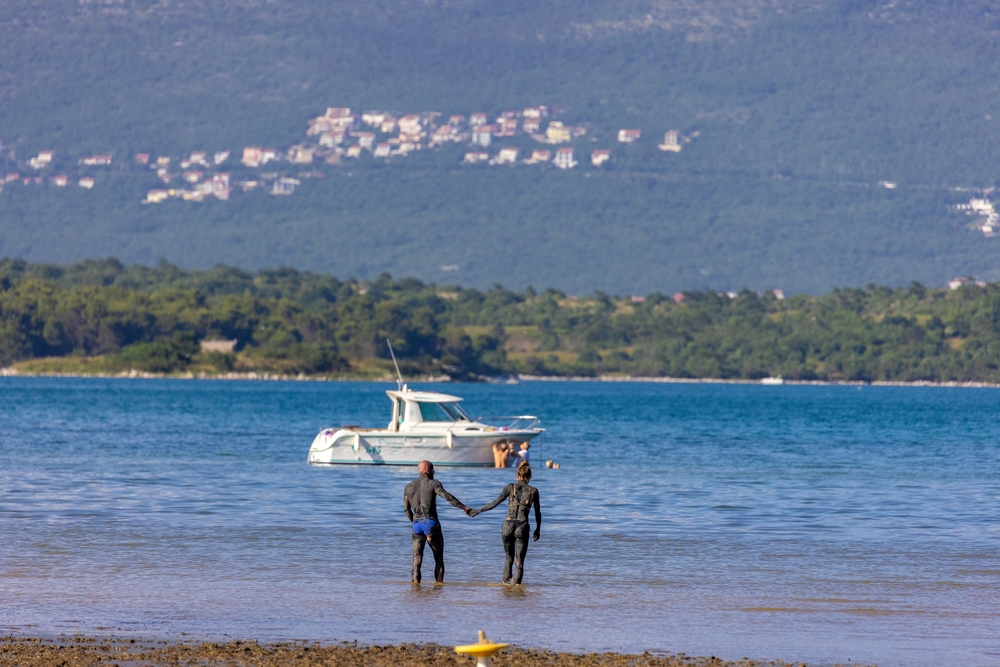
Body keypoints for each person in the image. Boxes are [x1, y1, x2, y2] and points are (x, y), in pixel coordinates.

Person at [470, 464, 541, 585]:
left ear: (518, 475)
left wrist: (477, 511)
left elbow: (494, 503)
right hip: (522, 526)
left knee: (509, 558)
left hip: (508, 525)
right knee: (519, 561)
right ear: (530, 476)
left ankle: (506, 587)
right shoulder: (533, 491)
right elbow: (537, 512)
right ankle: (517, 589)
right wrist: (537, 529)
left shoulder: (510, 487)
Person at [404, 460, 473, 583]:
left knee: (416, 559)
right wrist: (464, 508)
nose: (434, 471)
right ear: (426, 470)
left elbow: (406, 509)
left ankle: (415, 587)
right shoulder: (434, 484)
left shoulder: (408, 487)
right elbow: (447, 497)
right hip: (431, 523)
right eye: (432, 469)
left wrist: (413, 522)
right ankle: (439, 588)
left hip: (416, 525)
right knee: (438, 559)